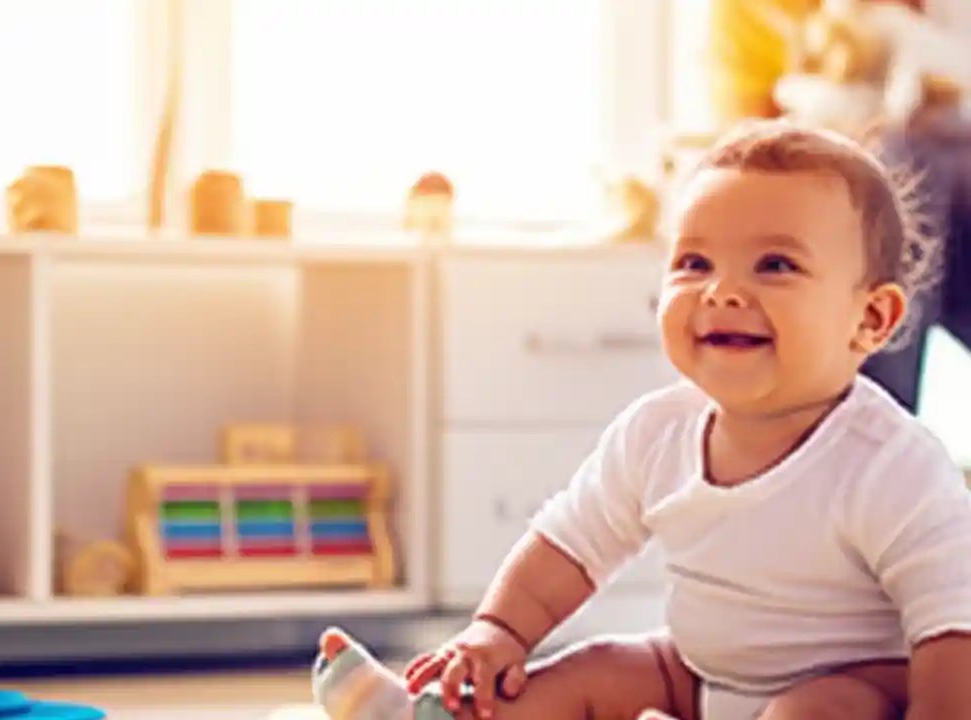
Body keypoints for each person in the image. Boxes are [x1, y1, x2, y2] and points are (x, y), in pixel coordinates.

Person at [311, 121, 971, 720]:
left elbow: (952, 622)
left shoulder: (892, 465)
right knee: (588, 670)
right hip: (699, 674)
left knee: (819, 711)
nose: (722, 291)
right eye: (694, 263)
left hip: (857, 686)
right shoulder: (656, 433)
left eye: (775, 264)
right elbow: (568, 547)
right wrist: (498, 633)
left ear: (871, 320)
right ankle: (426, 718)